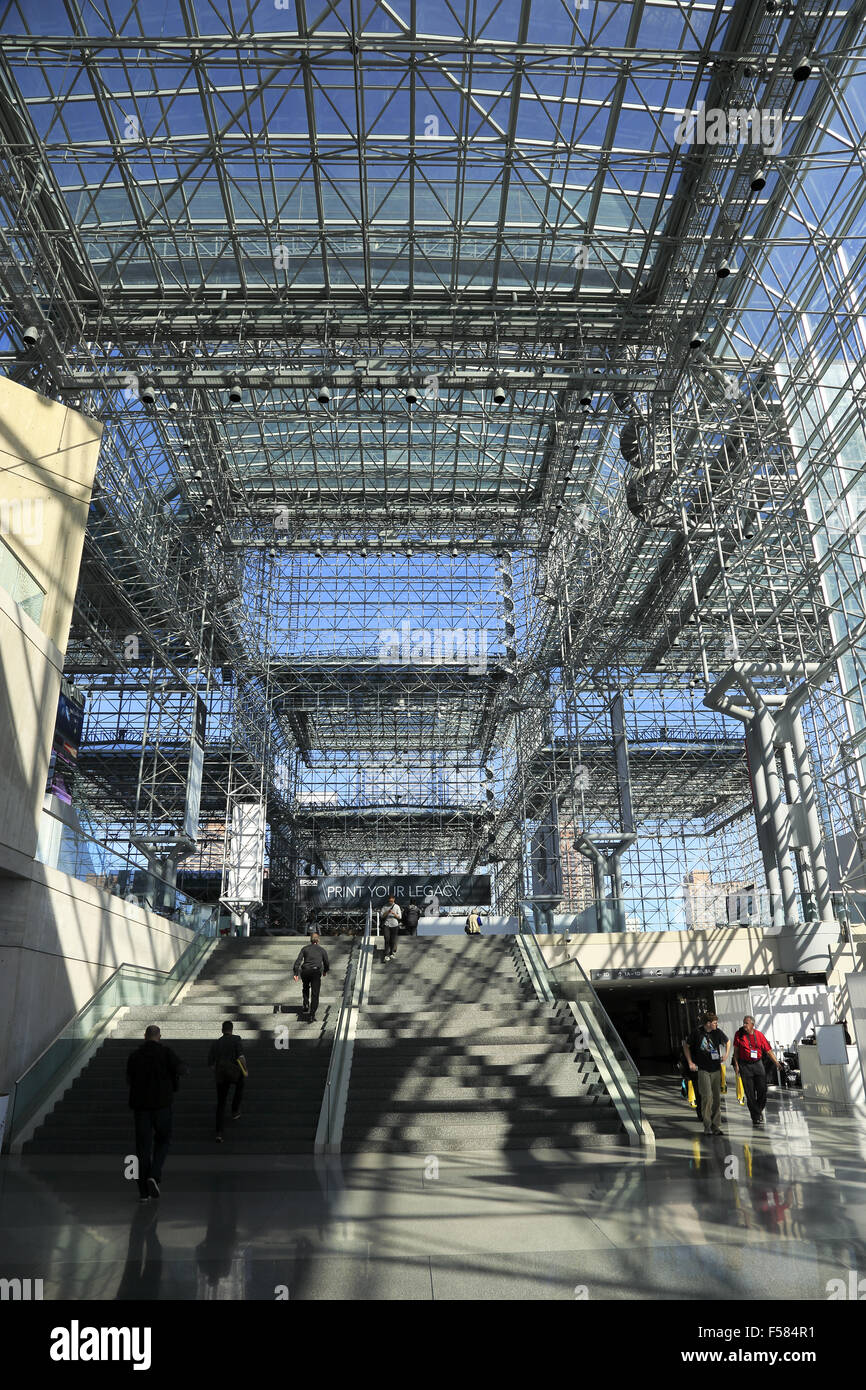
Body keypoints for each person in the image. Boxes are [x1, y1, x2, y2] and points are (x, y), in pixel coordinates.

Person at [126, 1025, 185, 1202]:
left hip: (141, 1107)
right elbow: (181, 1069)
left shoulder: (135, 1055)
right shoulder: (166, 1053)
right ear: (159, 1036)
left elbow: (129, 1079)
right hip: (162, 1105)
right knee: (163, 1140)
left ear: (144, 1036)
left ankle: (143, 1193)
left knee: (142, 1148)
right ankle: (154, 1174)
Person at [683, 1012, 730, 1136]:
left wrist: (726, 1055)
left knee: (716, 1098)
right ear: (708, 1023)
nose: (716, 1025)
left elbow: (727, 1041)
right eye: (714, 1023)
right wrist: (690, 1062)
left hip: (716, 1069)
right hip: (703, 1069)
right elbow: (686, 1046)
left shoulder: (717, 1032)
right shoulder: (697, 1033)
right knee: (707, 1097)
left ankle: (716, 1126)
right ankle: (707, 1125)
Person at [732, 1016, 780, 1127]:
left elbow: (768, 1051)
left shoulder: (759, 1035)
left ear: (752, 1025)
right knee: (750, 1093)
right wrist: (736, 1065)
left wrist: (776, 1063)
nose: (744, 1025)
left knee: (762, 1090)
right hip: (745, 1065)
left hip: (758, 1064)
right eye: (744, 1023)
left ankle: (758, 1111)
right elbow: (736, 1052)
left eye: (747, 1023)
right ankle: (756, 1116)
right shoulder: (739, 1034)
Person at [207, 1020, 247, 1142]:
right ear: (232, 1029)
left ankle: (219, 1133)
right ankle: (235, 1110)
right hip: (234, 1073)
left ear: (222, 1030)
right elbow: (241, 1057)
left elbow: (210, 1063)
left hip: (221, 1075)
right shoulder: (236, 1039)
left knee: (221, 1103)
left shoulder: (216, 1043)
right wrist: (245, 1070)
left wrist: (218, 1070)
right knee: (240, 1085)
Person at [293, 932, 330, 1021]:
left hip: (305, 971)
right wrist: (325, 971)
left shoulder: (305, 949)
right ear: (318, 940)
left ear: (310, 940)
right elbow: (326, 963)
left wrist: (296, 973)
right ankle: (312, 1014)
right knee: (315, 993)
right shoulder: (322, 950)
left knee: (305, 987)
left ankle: (306, 1003)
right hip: (315, 972)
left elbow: (298, 961)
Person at [380, 895, 402, 961]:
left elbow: (400, 917)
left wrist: (394, 914)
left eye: (392, 901)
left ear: (394, 899)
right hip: (386, 925)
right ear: (388, 900)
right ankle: (386, 954)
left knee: (393, 940)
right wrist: (387, 912)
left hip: (395, 925)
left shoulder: (397, 906)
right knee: (387, 939)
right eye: (390, 901)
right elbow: (382, 916)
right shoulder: (385, 906)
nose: (390, 902)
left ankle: (391, 953)